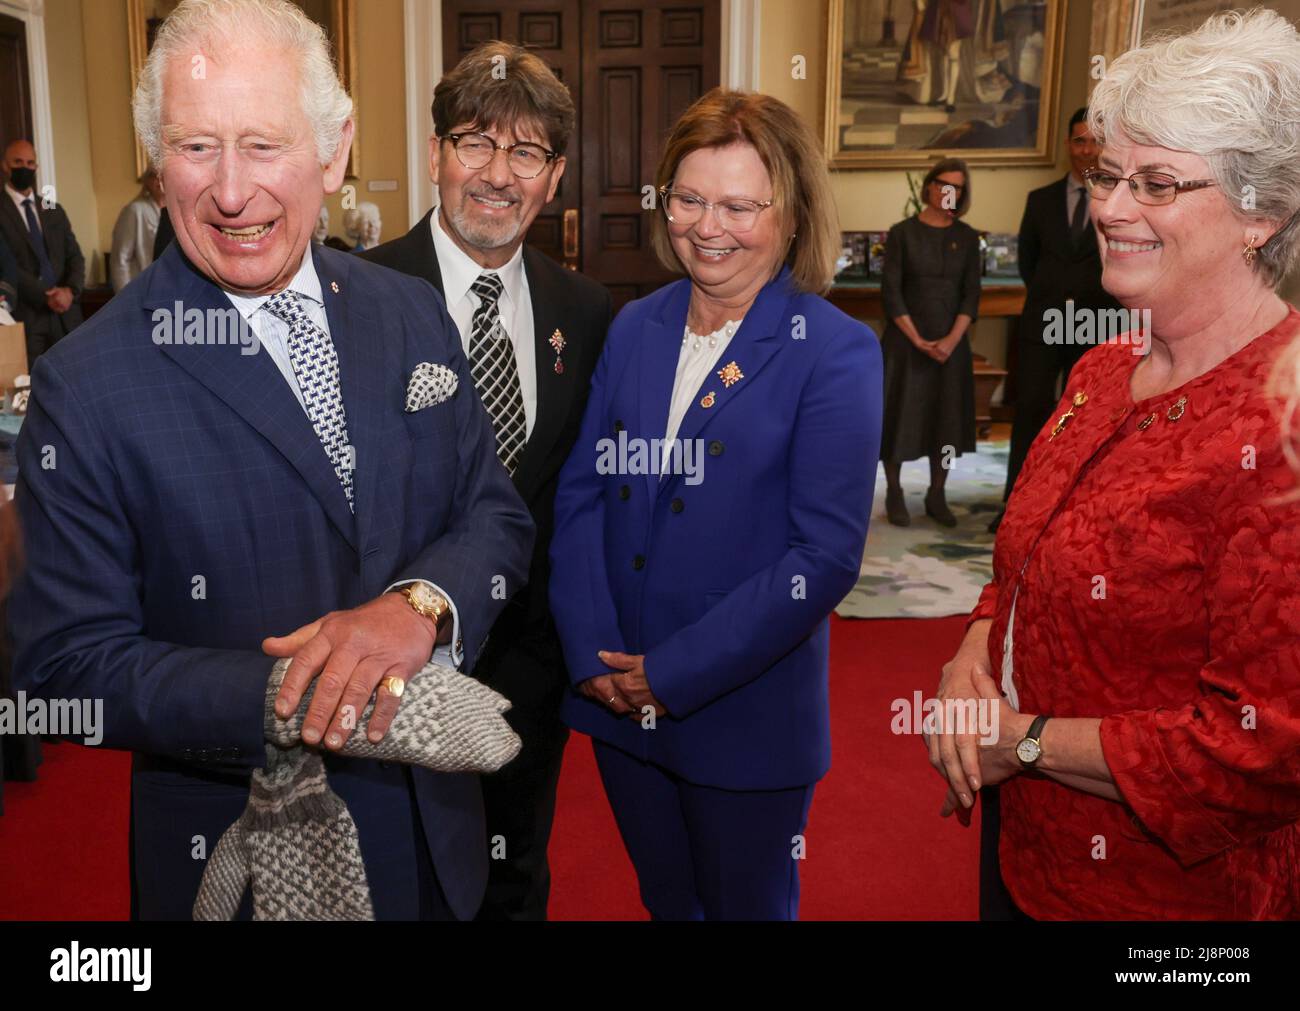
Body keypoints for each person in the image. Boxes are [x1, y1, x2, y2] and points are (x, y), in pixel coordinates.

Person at [7, 0, 533, 921]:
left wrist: (416, 610)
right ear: (158, 160)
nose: (232, 192)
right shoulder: (85, 382)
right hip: (244, 860)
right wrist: (307, 690)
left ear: (333, 153)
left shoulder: (408, 312)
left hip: (437, 838)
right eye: (195, 147)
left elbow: (494, 513)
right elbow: (69, 664)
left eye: (263, 144)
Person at [928, 8, 1300, 919]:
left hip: (1171, 907)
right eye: (1108, 173)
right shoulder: (1101, 369)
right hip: (1025, 852)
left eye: (1157, 183)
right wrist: (970, 654)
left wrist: (1017, 742)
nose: (1108, 207)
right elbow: (1023, 563)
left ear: (1261, 213)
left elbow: (1260, 748)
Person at [549, 88, 882, 921]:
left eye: (738, 205)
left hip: (743, 715)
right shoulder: (634, 326)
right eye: (690, 199)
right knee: (668, 903)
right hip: (620, 705)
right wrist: (592, 654)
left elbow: (824, 559)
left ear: (792, 214)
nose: (709, 227)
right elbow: (584, 492)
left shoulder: (836, 352)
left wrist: (671, 673)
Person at [363, 40, 611, 921]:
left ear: (554, 177)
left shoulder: (588, 312)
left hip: (528, 666)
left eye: (527, 152)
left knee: (512, 875)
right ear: (434, 153)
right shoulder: (355, 291)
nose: (498, 173)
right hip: (382, 661)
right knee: (390, 878)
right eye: (475, 141)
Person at [989, 107, 1120, 534]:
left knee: (1089, 415)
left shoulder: (1118, 198)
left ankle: (1074, 505)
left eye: (1093, 141)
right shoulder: (1039, 200)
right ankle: (1016, 502)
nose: (1086, 149)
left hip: (1099, 324)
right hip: (1044, 323)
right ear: (1068, 145)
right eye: (1078, 140)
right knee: (1030, 409)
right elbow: (1028, 262)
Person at [879, 157, 980, 527]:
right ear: (929, 186)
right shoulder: (902, 233)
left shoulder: (968, 238)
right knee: (899, 419)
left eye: (957, 187)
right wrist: (918, 339)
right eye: (942, 184)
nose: (948, 192)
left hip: (950, 348)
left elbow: (972, 295)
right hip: (906, 344)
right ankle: (894, 490)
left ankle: (937, 493)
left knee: (947, 423)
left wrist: (951, 341)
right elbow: (891, 293)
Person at [0, 140, 85, 363]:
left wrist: (69, 291)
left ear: (36, 167)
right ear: (5, 166)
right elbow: (7, 266)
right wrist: (44, 295)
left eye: (30, 163)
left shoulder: (52, 208)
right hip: (25, 315)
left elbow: (75, 256)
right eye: (18, 162)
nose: (25, 167)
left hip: (66, 315)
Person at [110, 168, 165, 292]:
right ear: (147, 182)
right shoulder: (135, 211)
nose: (159, 180)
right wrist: (125, 300)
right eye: (154, 176)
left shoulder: (178, 212)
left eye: (164, 175)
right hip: (142, 291)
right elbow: (120, 260)